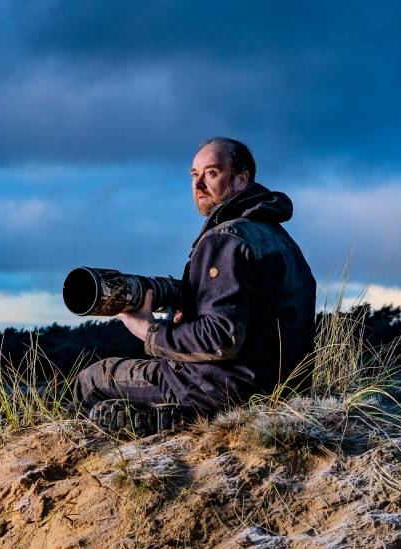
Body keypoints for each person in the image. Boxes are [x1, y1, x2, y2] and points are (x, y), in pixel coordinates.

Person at [73, 137, 316, 434]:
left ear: (241, 180)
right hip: (282, 389)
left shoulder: (226, 238)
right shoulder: (279, 239)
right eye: (194, 175)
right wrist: (187, 318)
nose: (198, 185)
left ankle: (100, 452)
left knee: (95, 378)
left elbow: (221, 338)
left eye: (212, 173)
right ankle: (160, 416)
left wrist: (150, 332)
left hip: (221, 389)